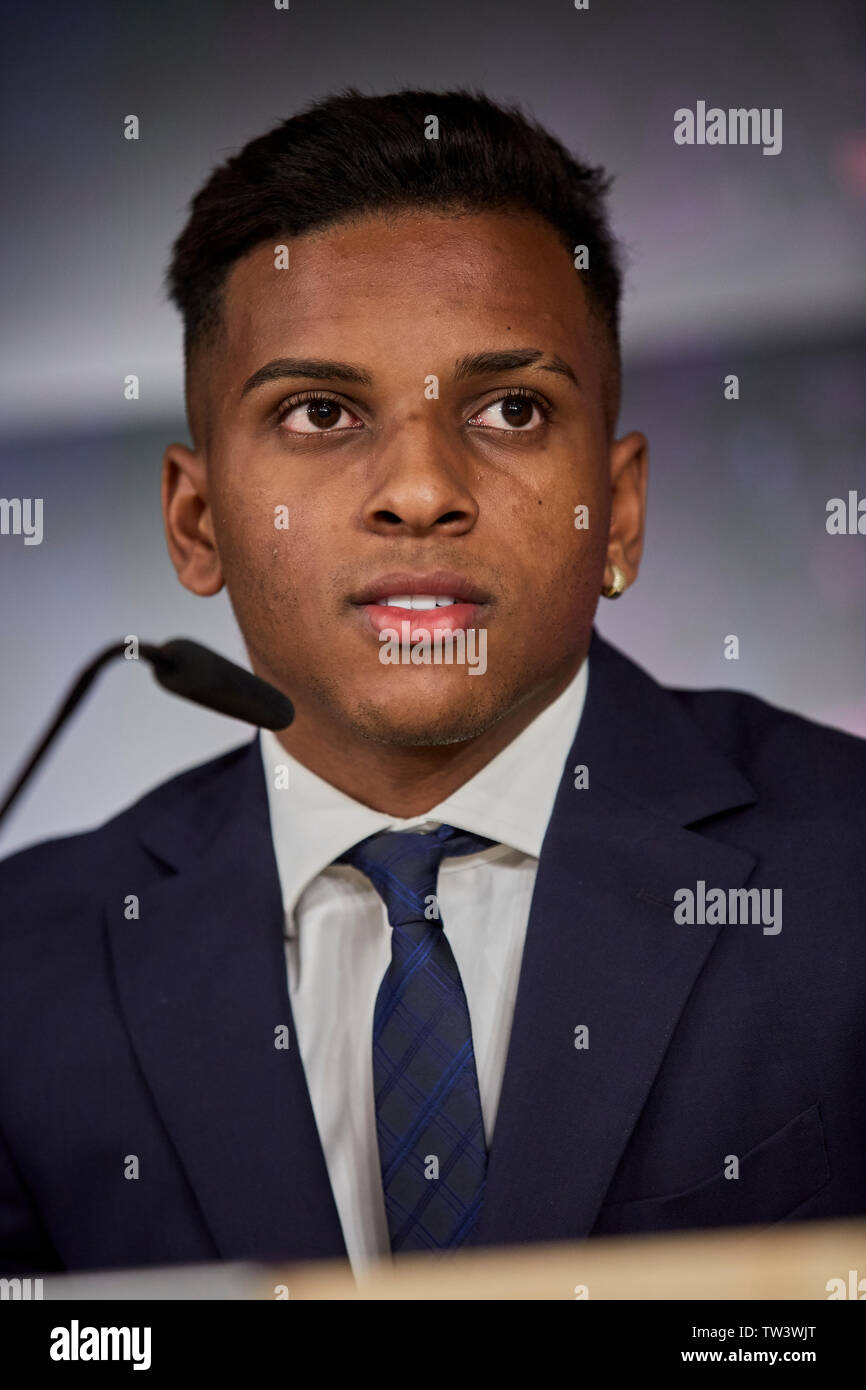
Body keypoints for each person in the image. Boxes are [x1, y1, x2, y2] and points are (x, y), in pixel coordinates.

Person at [1, 89, 863, 1279]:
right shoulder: (24, 962)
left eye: (509, 409)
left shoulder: (844, 867)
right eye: (319, 410)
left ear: (616, 509)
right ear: (195, 522)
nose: (418, 487)